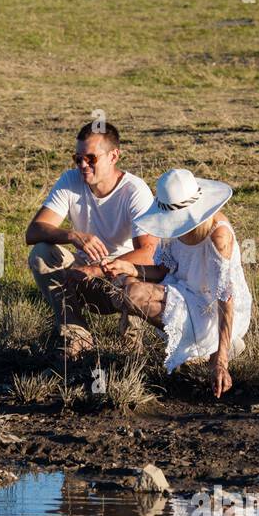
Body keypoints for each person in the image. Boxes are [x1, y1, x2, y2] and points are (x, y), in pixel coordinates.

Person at [103, 168, 252, 398]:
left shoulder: (218, 236)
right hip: (181, 292)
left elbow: (225, 297)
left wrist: (221, 362)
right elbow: (163, 270)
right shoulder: (172, 230)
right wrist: (129, 268)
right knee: (121, 287)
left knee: (133, 294)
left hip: (210, 310)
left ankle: (215, 348)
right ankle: (190, 349)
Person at [25, 120, 159, 358]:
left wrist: (95, 269)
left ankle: (129, 343)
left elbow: (149, 252)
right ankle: (76, 335)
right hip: (82, 275)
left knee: (132, 274)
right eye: (78, 159)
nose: (83, 165)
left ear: (114, 156)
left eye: (91, 158)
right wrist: (72, 235)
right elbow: (34, 232)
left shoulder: (135, 190)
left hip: (119, 277)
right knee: (42, 253)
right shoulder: (70, 180)